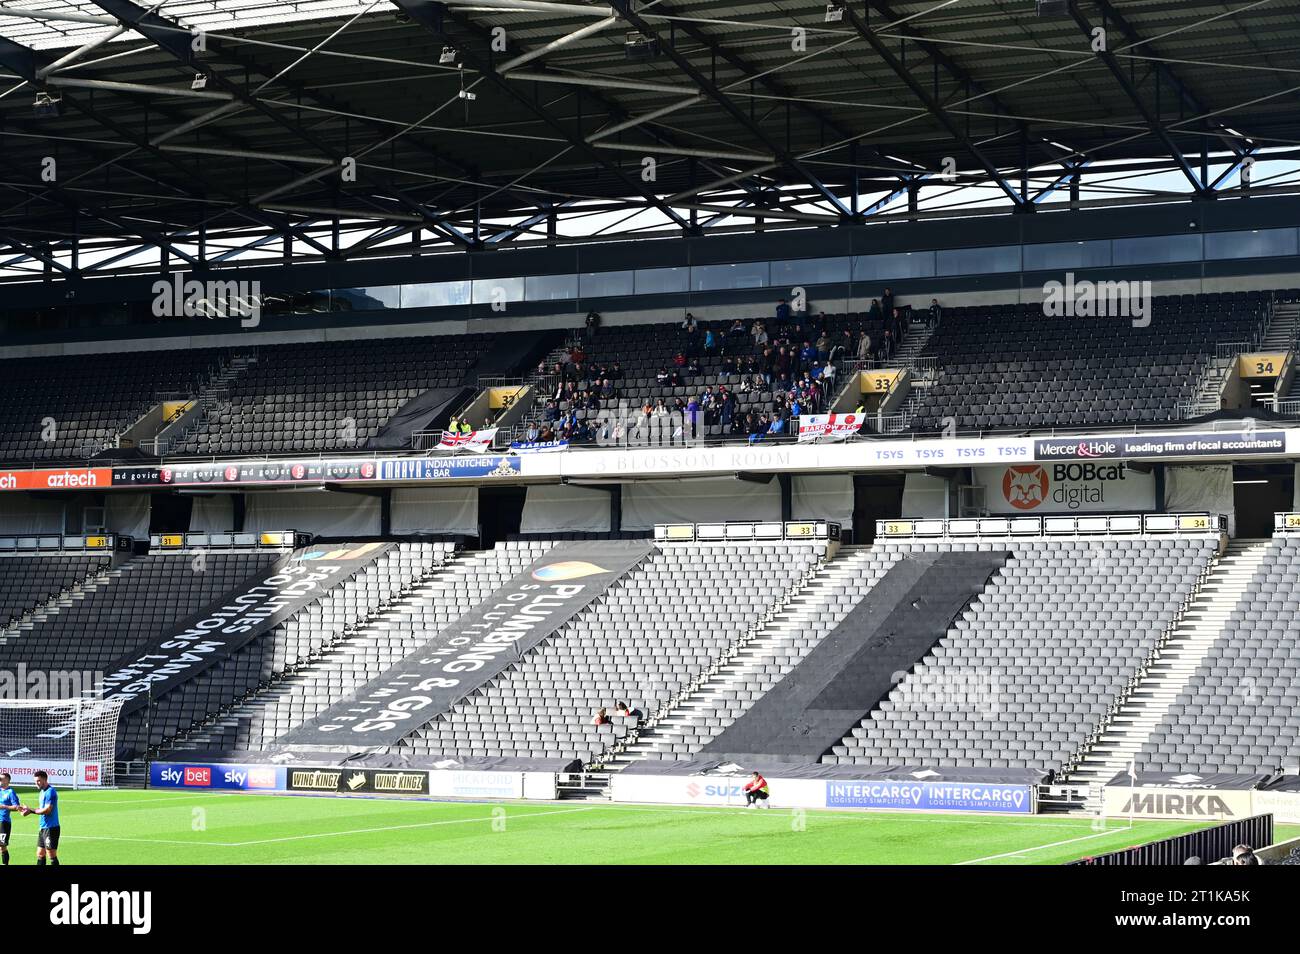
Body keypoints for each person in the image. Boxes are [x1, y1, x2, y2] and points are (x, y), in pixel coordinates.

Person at [28, 770, 59, 865]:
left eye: (38, 781)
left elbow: (47, 810)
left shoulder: (51, 792)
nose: (36, 783)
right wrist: (28, 810)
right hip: (43, 827)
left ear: (45, 779)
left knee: (51, 855)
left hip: (51, 828)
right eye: (35, 781)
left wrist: (31, 811)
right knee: (40, 854)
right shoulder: (42, 792)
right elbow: (41, 809)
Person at [0, 773, 18, 866]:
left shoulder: (10, 792)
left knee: (2, 846)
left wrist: (4, 806)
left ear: (7, 780)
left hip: (4, 822)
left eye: (1, 779)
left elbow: (16, 807)